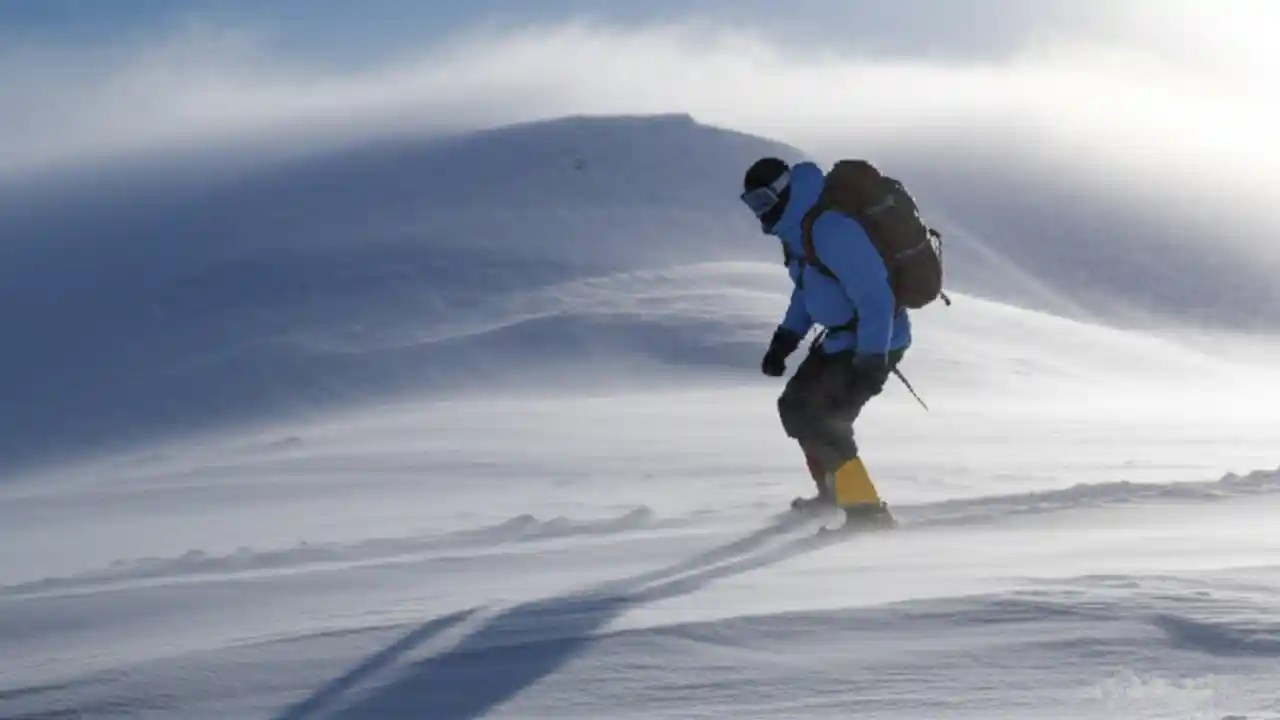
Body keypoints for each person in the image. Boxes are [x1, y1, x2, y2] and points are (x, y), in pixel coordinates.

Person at [741, 157, 911, 525]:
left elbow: (876, 299)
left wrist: (871, 361)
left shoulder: (830, 229)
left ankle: (866, 513)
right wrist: (785, 339)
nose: (761, 212)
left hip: (873, 338)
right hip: (841, 340)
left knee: (825, 422)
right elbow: (809, 291)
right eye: (753, 203)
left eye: (765, 201)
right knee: (796, 408)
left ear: (785, 190)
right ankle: (833, 493)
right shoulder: (798, 232)